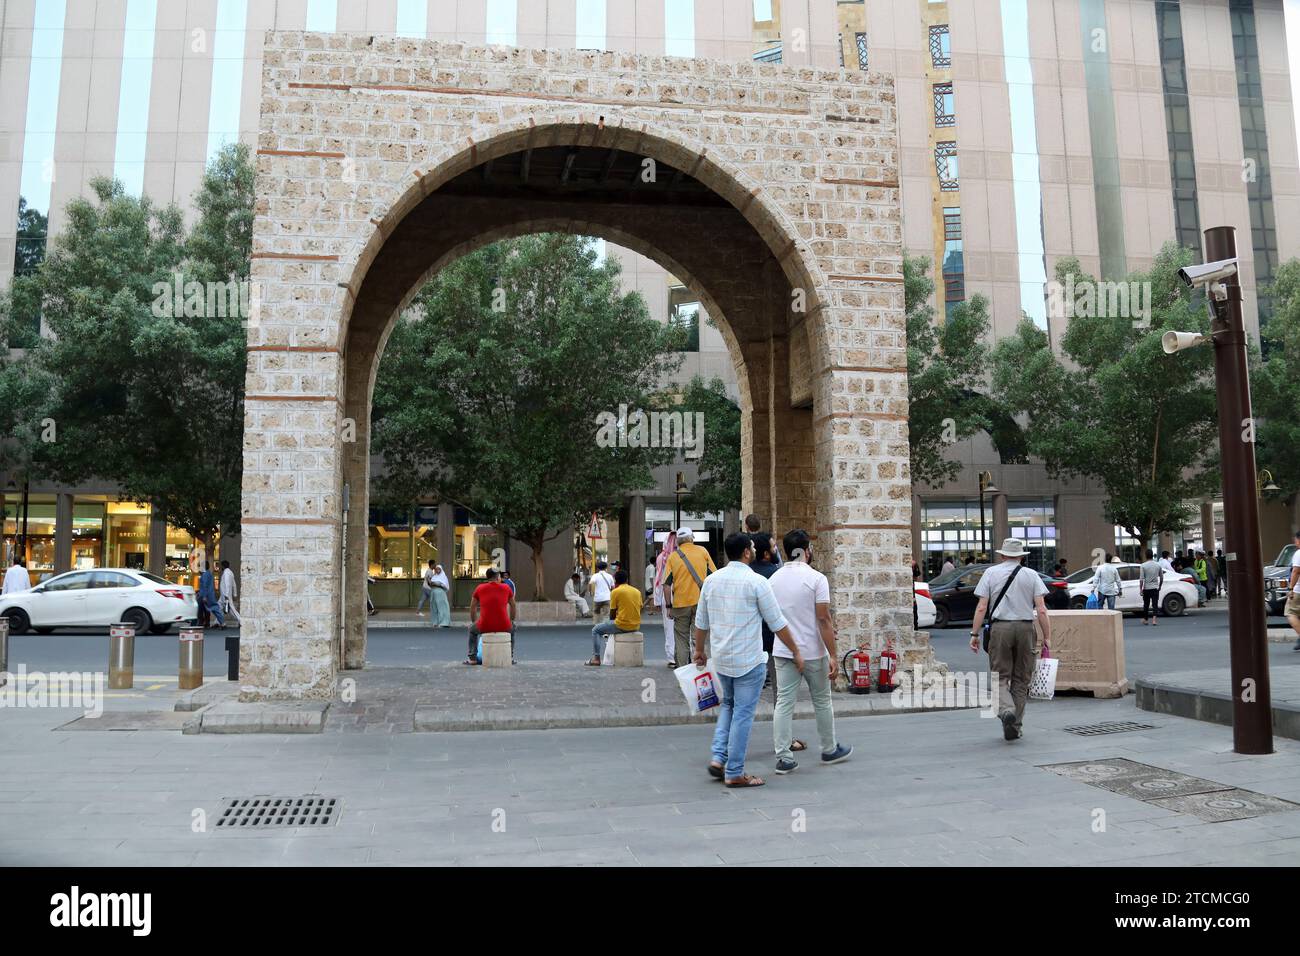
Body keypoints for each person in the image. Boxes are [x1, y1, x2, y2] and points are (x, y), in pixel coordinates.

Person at [694, 533, 800, 788]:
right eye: (751, 547)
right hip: (749, 661)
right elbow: (777, 623)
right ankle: (734, 771)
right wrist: (796, 650)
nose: (753, 549)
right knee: (742, 713)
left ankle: (719, 757)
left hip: (722, 659)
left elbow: (701, 622)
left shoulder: (711, 581)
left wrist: (699, 650)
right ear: (746, 552)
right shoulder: (756, 582)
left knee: (729, 706)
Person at [768, 528, 852, 774]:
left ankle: (783, 757)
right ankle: (829, 748)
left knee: (783, 703)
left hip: (784, 651)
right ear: (806, 551)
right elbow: (824, 620)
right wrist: (834, 654)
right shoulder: (817, 579)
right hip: (813, 651)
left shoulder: (773, 580)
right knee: (822, 701)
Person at [968, 538, 1052, 742]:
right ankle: (1015, 725)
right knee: (1021, 679)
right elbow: (1041, 609)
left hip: (1000, 628)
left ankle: (1006, 710)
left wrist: (974, 634)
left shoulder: (990, 573)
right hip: (1025, 628)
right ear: (1022, 557)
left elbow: (981, 607)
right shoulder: (1031, 575)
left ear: (1002, 555)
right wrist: (1047, 636)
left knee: (1000, 676)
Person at [664, 527, 718, 667]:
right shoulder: (703, 552)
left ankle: (683, 671)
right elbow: (714, 575)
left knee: (681, 639)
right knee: (698, 638)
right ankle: (700, 671)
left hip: (680, 604)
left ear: (678, 541)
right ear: (692, 538)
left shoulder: (673, 556)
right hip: (700, 603)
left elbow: (666, 585)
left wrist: (669, 606)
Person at [587, 568, 641, 665]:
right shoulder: (637, 591)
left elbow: (612, 614)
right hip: (636, 625)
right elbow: (639, 607)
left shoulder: (615, 592)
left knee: (596, 630)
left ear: (615, 581)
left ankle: (596, 658)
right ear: (627, 580)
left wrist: (611, 623)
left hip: (622, 625)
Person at [465, 568, 516, 665]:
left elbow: (473, 607)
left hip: (484, 625)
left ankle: (472, 658)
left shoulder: (479, 588)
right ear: (498, 577)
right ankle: (510, 657)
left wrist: (474, 621)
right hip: (504, 625)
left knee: (472, 630)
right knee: (513, 628)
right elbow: (513, 605)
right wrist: (511, 620)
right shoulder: (506, 588)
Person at [652, 532, 679, 666]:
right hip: (683, 594)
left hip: (666, 596)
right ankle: (685, 655)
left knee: (669, 628)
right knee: (685, 627)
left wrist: (657, 600)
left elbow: (658, 580)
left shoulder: (661, 558)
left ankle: (672, 657)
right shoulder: (681, 557)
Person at [1138, 549, 1163, 626]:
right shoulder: (1158, 565)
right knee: (1155, 604)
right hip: (1155, 588)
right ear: (1152, 555)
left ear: (1145, 556)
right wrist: (1160, 586)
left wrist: (1141, 589)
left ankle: (1145, 620)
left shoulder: (1143, 565)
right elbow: (1161, 577)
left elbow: (1141, 579)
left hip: (1146, 588)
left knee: (1146, 604)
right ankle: (1154, 620)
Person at [198, 561, 224, 628]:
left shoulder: (204, 575)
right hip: (210, 594)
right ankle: (219, 622)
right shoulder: (209, 573)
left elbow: (204, 585)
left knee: (202, 609)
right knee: (212, 609)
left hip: (205, 595)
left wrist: (204, 596)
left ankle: (200, 623)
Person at [1286, 530, 1300, 651]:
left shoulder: (1298, 553)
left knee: (1290, 613)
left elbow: (1296, 571)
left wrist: (1290, 588)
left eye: (1295, 540)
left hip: (1298, 590)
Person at [218, 560, 242, 626]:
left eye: (221, 566)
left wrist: (226, 595)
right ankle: (217, 622)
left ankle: (241, 620)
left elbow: (227, 584)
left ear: (223, 566)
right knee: (218, 607)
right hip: (224, 595)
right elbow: (234, 584)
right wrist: (235, 594)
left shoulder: (226, 573)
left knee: (231, 609)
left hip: (225, 594)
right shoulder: (230, 572)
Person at [428, 563, 451, 627]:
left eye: (439, 569)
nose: (437, 570)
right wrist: (430, 582)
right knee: (434, 608)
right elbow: (430, 584)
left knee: (442, 608)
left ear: (441, 570)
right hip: (433, 593)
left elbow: (444, 585)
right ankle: (435, 622)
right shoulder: (434, 576)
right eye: (436, 569)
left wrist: (437, 584)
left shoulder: (443, 577)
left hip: (440, 593)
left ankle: (444, 622)